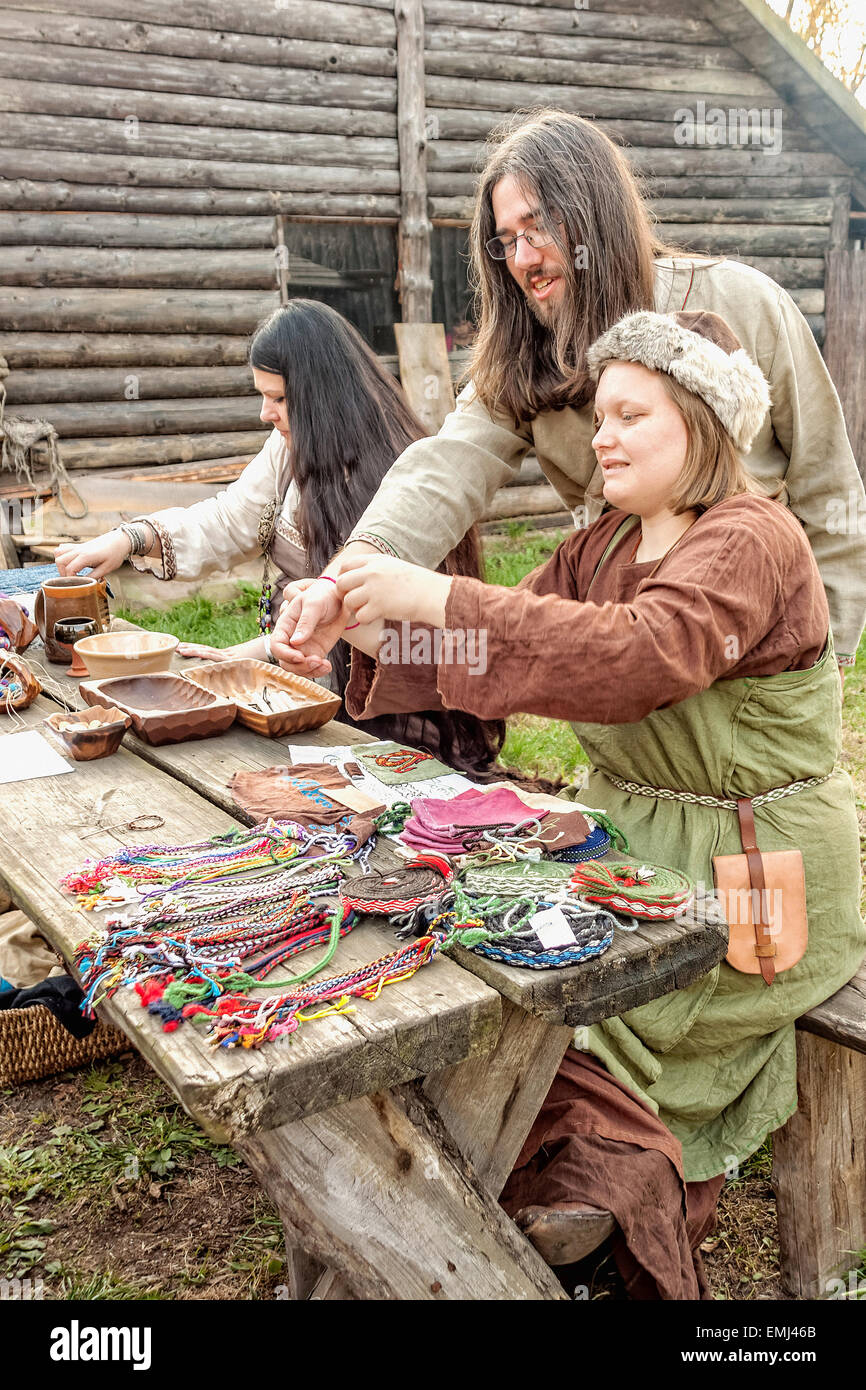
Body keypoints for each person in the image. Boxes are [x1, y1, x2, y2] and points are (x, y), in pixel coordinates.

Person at [315, 309, 866, 1299]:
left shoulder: (751, 537)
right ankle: (557, 1204)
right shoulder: (606, 538)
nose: (599, 437)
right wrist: (366, 642)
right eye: (597, 413)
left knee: (595, 1013)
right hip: (628, 841)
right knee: (494, 973)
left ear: (700, 420)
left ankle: (606, 1212)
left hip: (755, 875)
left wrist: (435, 595)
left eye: (627, 414)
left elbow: (635, 659)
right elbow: (508, 649)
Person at [272, 108, 866, 681]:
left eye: (538, 227)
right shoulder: (522, 349)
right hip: (613, 647)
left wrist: (825, 656)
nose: (523, 258)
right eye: (507, 240)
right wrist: (349, 573)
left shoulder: (744, 304)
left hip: (752, 641)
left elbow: (828, 480)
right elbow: (444, 469)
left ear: (595, 215)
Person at [54, 300, 504, 773]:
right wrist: (130, 539)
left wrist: (257, 655)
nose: (265, 413)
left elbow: (414, 646)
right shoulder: (288, 450)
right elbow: (231, 519)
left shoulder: (404, 482)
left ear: (322, 394)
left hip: (388, 710)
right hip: (299, 678)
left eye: (279, 398)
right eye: (262, 395)